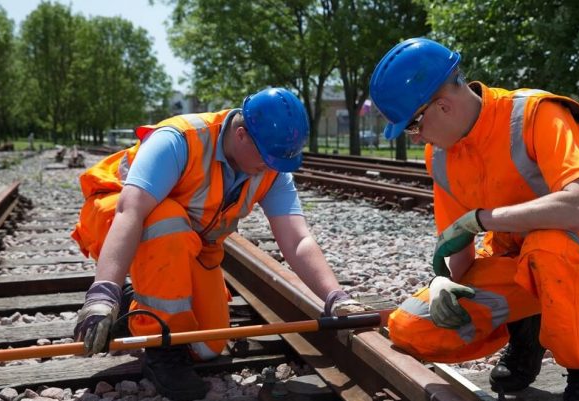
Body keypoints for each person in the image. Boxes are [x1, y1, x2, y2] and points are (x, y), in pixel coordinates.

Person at [369, 38, 579, 401]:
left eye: (413, 125)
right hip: (518, 263)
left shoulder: (537, 114)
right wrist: (443, 284)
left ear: (443, 106)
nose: (416, 136)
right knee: (410, 327)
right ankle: (527, 332)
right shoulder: (439, 156)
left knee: (549, 246)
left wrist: (485, 218)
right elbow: (459, 250)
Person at [71, 88, 370, 400]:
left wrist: (336, 297)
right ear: (241, 135)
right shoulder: (180, 139)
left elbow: (297, 239)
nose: (270, 167)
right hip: (117, 219)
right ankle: (161, 346)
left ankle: (134, 307)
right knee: (167, 219)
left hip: (187, 244)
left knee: (208, 345)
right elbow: (130, 212)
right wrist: (103, 293)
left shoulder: (271, 167)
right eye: (267, 158)